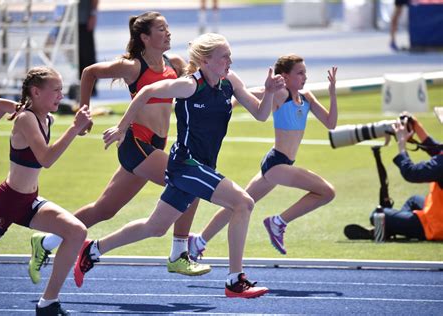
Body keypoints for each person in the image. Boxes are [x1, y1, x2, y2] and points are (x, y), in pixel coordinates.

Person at [73, 33, 285, 298]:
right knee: (243, 202)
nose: (230, 60)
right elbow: (147, 91)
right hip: (186, 164)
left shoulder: (230, 81)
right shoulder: (189, 85)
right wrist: (122, 126)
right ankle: (235, 281)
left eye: (230, 55)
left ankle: (92, 250)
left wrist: (270, 92)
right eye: (224, 56)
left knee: (155, 227)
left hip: (202, 166)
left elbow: (261, 114)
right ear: (206, 61)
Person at [28, 11, 211, 286]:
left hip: (155, 145)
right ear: (145, 37)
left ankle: (46, 240)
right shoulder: (132, 67)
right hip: (135, 144)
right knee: (192, 182)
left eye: (168, 28)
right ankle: (178, 253)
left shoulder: (174, 62)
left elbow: (199, 83)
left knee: (104, 209)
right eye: (162, 29)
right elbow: (89, 73)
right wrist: (84, 110)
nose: (169, 33)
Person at [188, 54, 337, 259]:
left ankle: (198, 241)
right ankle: (278, 221)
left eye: (305, 72)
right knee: (327, 192)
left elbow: (331, 123)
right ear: (284, 76)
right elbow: (247, 94)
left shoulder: (307, 97)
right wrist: (227, 104)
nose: (305, 77)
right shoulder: (280, 94)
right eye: (300, 73)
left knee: (238, 204)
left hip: (280, 164)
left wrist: (332, 93)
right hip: (277, 165)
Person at [0, 66, 92, 315]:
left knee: (76, 231)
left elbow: (1, 105)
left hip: (29, 202)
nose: (61, 94)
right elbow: (46, 159)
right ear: (36, 92)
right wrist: (74, 128)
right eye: (55, 90)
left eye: (61, 89)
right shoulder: (26, 118)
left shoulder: (45, 117)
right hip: (5, 202)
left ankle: (48, 304)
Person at [344, 113, 443, 241]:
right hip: (438, 213)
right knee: (413, 200)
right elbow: (435, 148)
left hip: (436, 226)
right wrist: (416, 126)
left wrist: (401, 144)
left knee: (377, 215)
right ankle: (392, 227)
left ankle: (388, 228)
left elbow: (411, 173)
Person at [78, 0, 98, 95]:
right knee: (76, 56)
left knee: (87, 55)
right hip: (69, 19)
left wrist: (93, 14)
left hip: (83, 20)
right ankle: (79, 84)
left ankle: (91, 86)